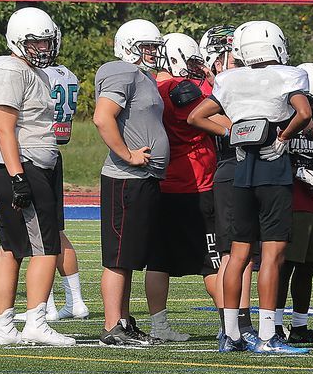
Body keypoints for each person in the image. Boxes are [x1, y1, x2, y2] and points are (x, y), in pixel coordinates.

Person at [188, 20, 313, 355]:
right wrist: (283, 138)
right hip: (273, 171)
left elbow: (196, 117)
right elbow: (303, 112)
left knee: (238, 256)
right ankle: (269, 335)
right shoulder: (289, 75)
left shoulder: (230, 79)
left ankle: (230, 334)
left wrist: (234, 133)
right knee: (271, 256)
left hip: (241, 172)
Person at [0, 8, 75, 347]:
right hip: (23, 164)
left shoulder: (33, 72)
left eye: (47, 41)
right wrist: (18, 175)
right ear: (18, 41)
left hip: (26, 163)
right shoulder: (8, 68)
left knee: (10, 247)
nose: (43, 48)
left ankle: (5, 328)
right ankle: (35, 321)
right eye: (35, 42)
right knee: (46, 247)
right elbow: (5, 128)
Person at [93, 18, 170, 347]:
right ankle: (112, 327)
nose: (153, 53)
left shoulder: (142, 76)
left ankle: (123, 321)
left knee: (129, 258)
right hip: (126, 178)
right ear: (129, 46)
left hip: (143, 179)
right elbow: (102, 116)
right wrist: (127, 155)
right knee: (119, 258)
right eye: (147, 47)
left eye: (155, 47)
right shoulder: (121, 71)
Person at [146, 32, 223, 341]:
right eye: (190, 62)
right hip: (196, 183)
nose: (194, 70)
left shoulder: (150, 87)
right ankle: (229, 325)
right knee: (213, 262)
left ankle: (159, 326)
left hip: (162, 182)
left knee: (159, 260)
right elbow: (206, 115)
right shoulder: (182, 90)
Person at [15, 62, 90, 324]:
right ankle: (75, 301)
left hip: (32, 151)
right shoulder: (68, 74)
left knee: (37, 234)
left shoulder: (33, 73)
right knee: (54, 231)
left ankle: (45, 305)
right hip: (53, 151)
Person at [200, 24, 256, 341]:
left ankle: (237, 323)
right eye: (235, 59)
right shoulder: (215, 96)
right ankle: (234, 325)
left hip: (238, 172)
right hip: (228, 172)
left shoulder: (228, 89)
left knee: (241, 254)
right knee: (234, 254)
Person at [276, 62, 313, 345]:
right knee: (285, 265)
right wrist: (294, 169)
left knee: (309, 265)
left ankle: (299, 325)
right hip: (293, 198)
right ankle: (274, 323)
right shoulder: (283, 115)